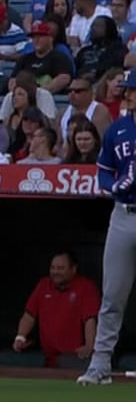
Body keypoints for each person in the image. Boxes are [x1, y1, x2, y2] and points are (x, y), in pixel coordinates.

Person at [80, 69, 136, 385]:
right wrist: (113, 187)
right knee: (113, 295)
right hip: (123, 214)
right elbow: (103, 171)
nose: (126, 94)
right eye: (126, 89)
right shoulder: (118, 130)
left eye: (131, 90)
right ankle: (99, 365)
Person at [11, 252, 98, 369]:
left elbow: (90, 319)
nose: (55, 272)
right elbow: (29, 315)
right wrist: (20, 338)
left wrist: (89, 346)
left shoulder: (86, 287)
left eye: (61, 268)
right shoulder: (43, 285)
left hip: (73, 356)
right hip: (46, 356)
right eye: (53, 268)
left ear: (73, 269)